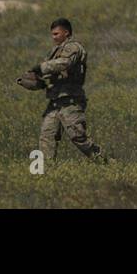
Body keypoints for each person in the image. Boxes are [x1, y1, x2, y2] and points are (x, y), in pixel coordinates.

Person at [33, 18, 106, 164]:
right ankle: (46, 172)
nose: (53, 37)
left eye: (56, 34)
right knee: (47, 136)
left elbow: (64, 63)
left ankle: (106, 163)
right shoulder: (54, 51)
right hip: (55, 101)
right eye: (52, 34)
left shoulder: (74, 47)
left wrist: (42, 68)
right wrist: (35, 79)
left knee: (78, 137)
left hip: (70, 100)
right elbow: (49, 72)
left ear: (66, 33)